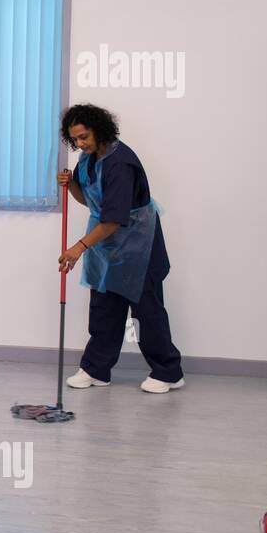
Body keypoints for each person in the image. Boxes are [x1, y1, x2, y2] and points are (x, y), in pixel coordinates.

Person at [56, 104, 184, 394]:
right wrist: (71, 185)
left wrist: (78, 247)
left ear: (100, 130)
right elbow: (92, 202)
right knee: (103, 307)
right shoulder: (88, 159)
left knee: (145, 311)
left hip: (139, 245)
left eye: (84, 137)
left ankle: (169, 371)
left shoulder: (121, 163)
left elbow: (114, 218)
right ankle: (96, 369)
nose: (80, 144)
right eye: (75, 139)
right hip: (107, 246)